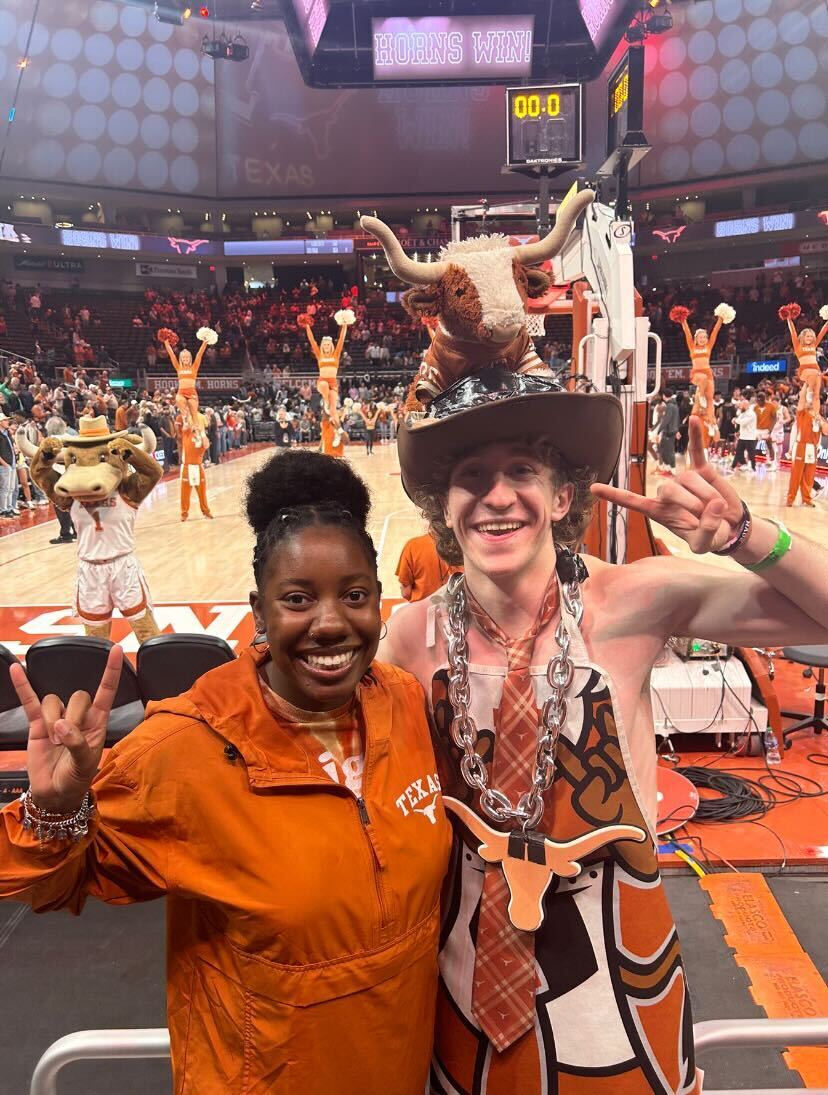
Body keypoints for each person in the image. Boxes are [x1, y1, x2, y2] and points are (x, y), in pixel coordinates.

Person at [381, 355, 828, 1095]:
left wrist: (747, 533)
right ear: (445, 505)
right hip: (461, 979)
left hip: (617, 975)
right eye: (473, 475)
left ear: (561, 496)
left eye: (521, 469)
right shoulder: (410, 636)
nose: (498, 496)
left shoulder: (631, 603)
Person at [0, 450, 451, 1094]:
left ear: (378, 604)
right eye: (297, 599)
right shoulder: (186, 744)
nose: (330, 623)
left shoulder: (404, 701)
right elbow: (48, 884)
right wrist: (55, 808)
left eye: (353, 596)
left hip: (397, 1067)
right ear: (258, 612)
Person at [396, 532, 459, 602]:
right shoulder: (464, 544)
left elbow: (405, 593)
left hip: (420, 608)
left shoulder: (412, 545)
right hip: (455, 608)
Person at [179, 410, 213, 522]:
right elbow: (184, 426)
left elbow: (207, 445)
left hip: (198, 467)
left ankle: (206, 511)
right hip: (187, 467)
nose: (196, 426)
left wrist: (202, 433)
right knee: (185, 493)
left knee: (202, 492)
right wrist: (188, 418)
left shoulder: (203, 439)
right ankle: (184, 514)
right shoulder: (187, 434)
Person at [655, 387, 680, 474]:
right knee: (667, 450)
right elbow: (676, 419)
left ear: (664, 396)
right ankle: (669, 469)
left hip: (668, 431)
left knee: (667, 451)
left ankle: (672, 469)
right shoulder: (675, 405)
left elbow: (666, 420)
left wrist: (659, 430)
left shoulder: (669, 406)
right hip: (672, 430)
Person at [732, 397, 758, 472]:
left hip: (750, 437)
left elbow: (742, 422)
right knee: (738, 452)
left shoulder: (751, 414)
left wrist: (735, 420)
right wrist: (738, 431)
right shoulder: (743, 413)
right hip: (743, 436)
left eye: (741, 406)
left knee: (751, 454)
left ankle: (753, 468)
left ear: (746, 406)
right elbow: (740, 422)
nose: (740, 407)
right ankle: (733, 466)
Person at [754, 390, 779, 469]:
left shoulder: (771, 406)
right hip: (757, 429)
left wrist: (770, 429)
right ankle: (751, 462)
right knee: (752, 445)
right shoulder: (755, 407)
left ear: (764, 399)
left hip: (767, 429)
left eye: (760, 401)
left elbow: (775, 418)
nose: (759, 402)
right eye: (757, 400)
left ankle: (772, 462)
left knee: (769, 445)